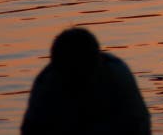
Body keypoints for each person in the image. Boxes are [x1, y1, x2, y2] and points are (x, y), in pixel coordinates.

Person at [21, 27, 151, 135]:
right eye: (71, 75)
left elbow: (139, 124)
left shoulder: (118, 76)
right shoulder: (45, 84)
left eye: (82, 73)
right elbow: (31, 129)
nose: (78, 82)